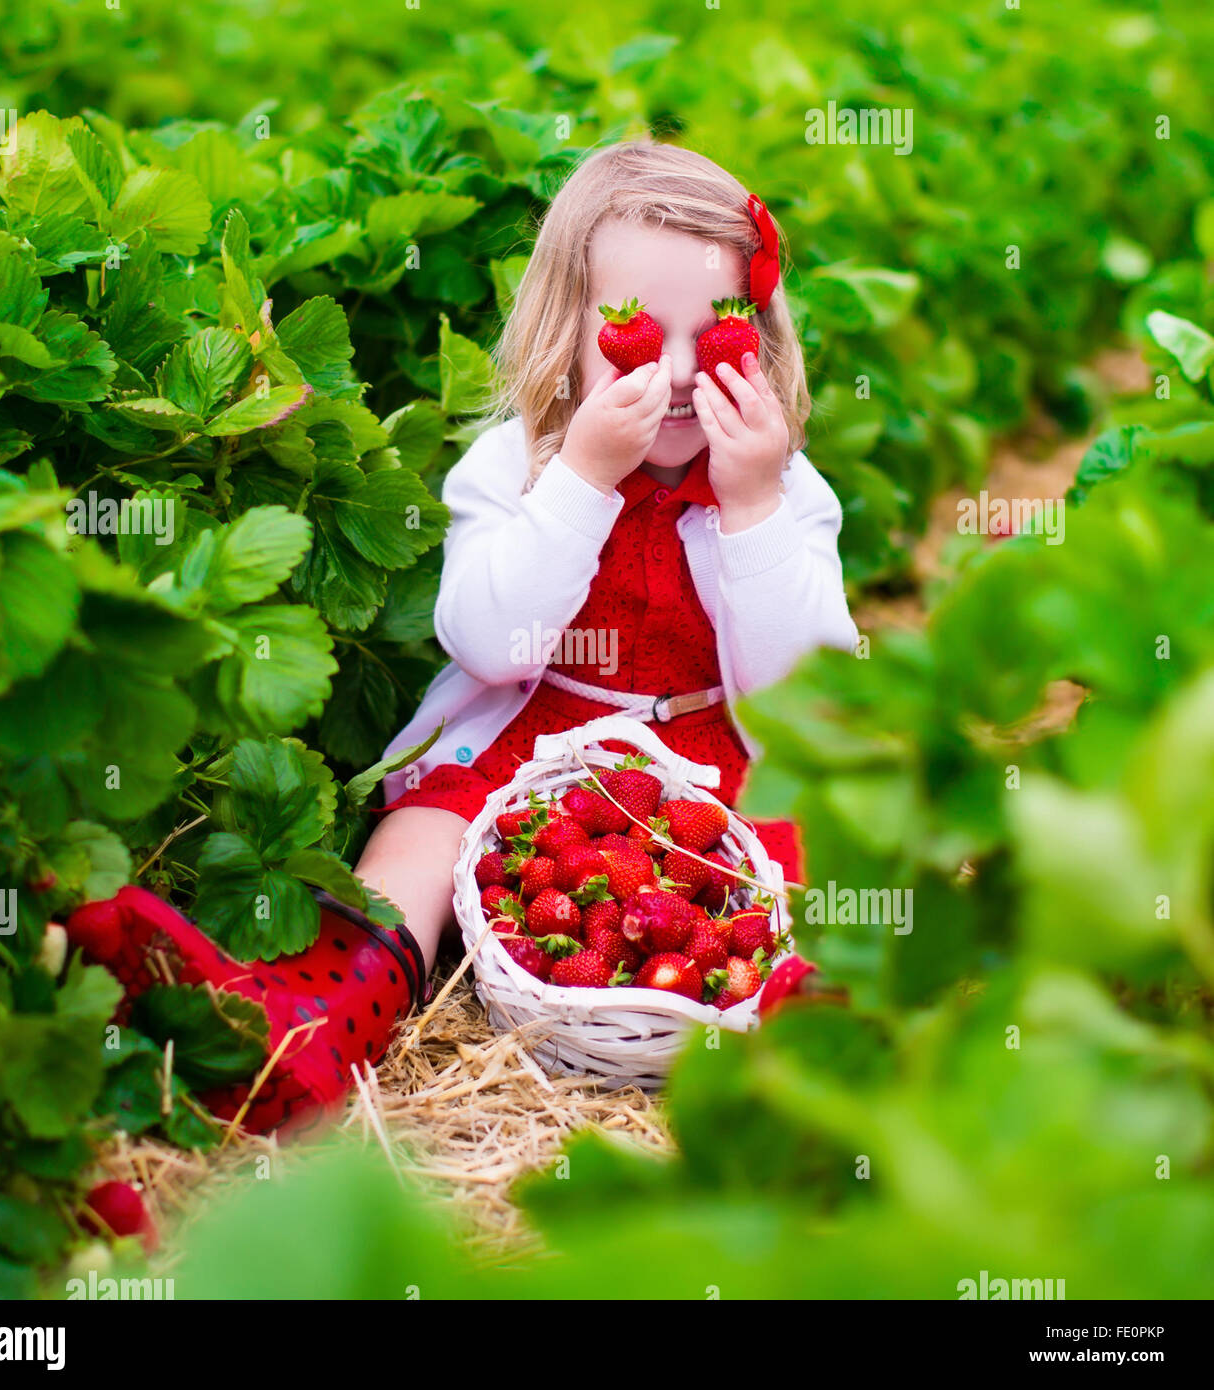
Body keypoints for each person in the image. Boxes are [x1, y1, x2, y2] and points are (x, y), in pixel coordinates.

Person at [68, 138, 858, 1137]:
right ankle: (312, 1018)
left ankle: (804, 1012)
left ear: (764, 337)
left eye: (721, 333)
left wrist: (750, 508)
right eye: (631, 328)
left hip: (707, 768)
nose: (679, 371)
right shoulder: (516, 463)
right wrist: (580, 479)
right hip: (533, 744)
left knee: (801, 844)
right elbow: (489, 642)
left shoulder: (785, 491)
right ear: (562, 330)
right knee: (421, 829)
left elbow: (811, 692)